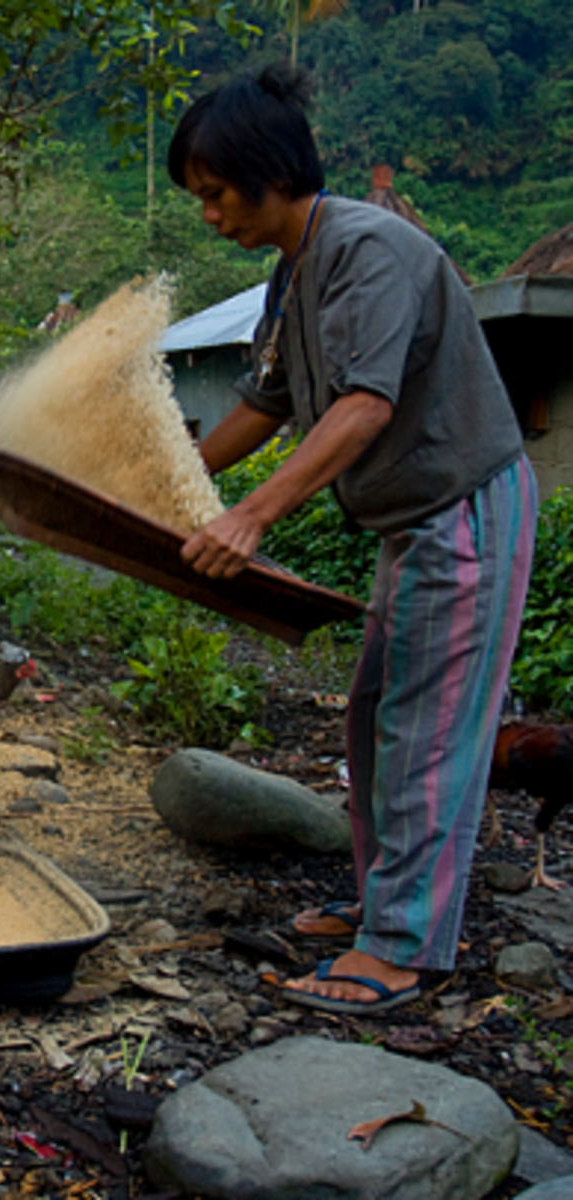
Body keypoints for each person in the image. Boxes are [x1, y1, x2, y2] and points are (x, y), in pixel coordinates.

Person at [167, 62, 537, 1015]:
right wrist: (172, 483)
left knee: (427, 731)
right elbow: (267, 400)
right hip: (408, 521)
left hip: (463, 509)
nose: (208, 214)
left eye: (213, 194)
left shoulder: (371, 247)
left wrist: (251, 515)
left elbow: (363, 407)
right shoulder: (293, 272)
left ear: (266, 171)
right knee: (375, 719)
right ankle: (384, 902)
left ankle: (405, 948)